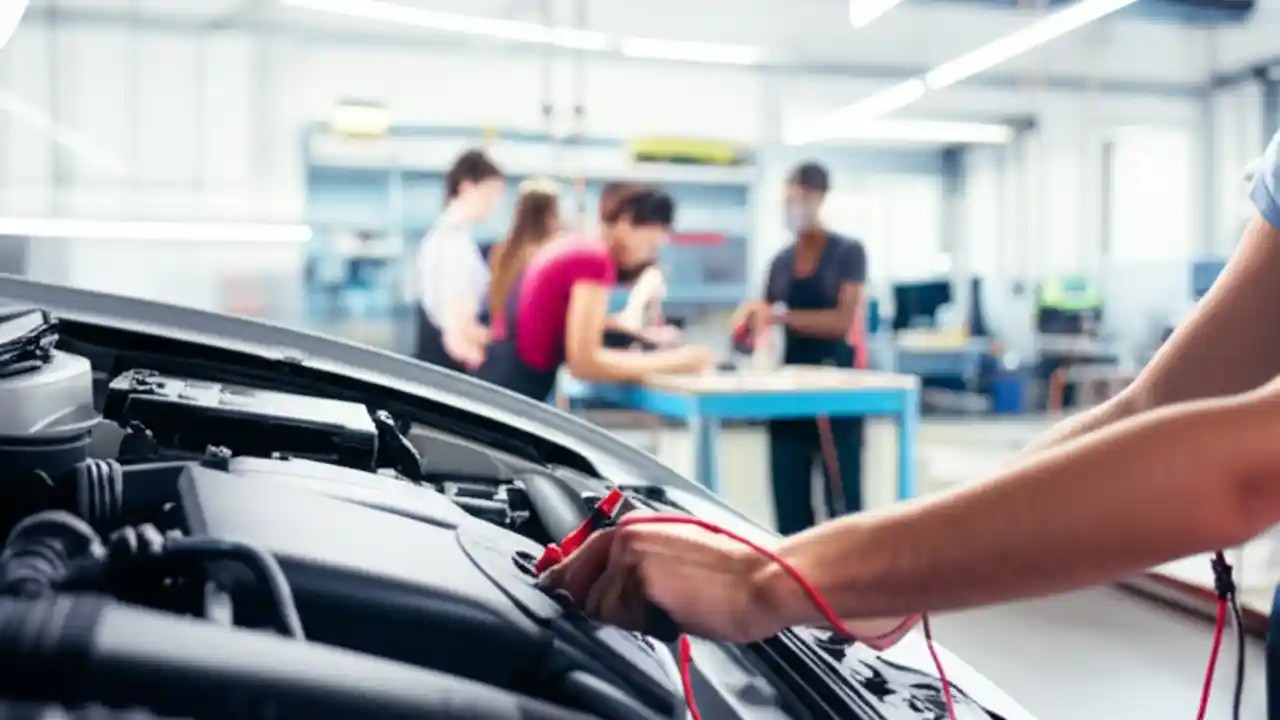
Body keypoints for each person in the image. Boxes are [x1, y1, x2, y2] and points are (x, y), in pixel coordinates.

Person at [540, 129, 1280, 653]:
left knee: (837, 485)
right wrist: (851, 576)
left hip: (833, 376)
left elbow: (1249, 466)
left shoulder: (846, 252)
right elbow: (1155, 406)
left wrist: (776, 581)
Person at [732, 162, 869, 535]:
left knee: (843, 500)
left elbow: (842, 321)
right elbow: (762, 322)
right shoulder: (779, 262)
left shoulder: (847, 253)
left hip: (836, 387)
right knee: (788, 498)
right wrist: (750, 322)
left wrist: (780, 317)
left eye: (802, 198)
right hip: (785, 389)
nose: (794, 207)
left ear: (821, 198)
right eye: (788, 199)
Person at [476, 187, 714, 400]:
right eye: (651, 246)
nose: (650, 257)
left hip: (502, 380)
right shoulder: (594, 260)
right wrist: (680, 361)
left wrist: (617, 327)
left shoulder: (575, 244)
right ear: (626, 222)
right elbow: (584, 363)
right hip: (516, 389)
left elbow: (554, 322)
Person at [415, 149, 505, 372]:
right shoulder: (452, 244)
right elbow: (455, 325)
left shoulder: (450, 238)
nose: (493, 204)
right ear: (466, 187)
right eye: (489, 194)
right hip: (451, 360)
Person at [487, 178, 561, 334]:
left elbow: (495, 306)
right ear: (551, 214)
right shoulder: (553, 254)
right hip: (538, 343)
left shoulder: (502, 251)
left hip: (502, 341)